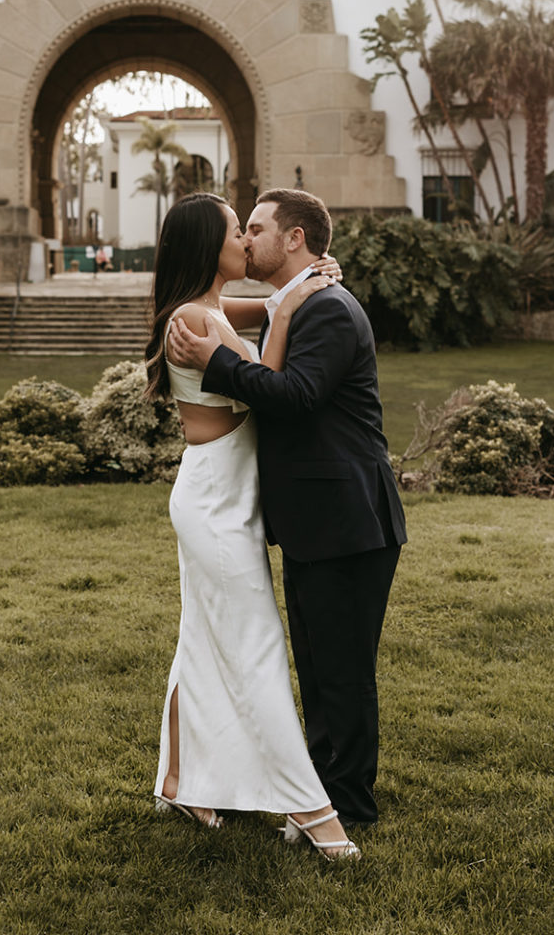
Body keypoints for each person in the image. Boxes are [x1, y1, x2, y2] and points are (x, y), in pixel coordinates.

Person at [168, 188, 406, 829]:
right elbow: (250, 324)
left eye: (256, 227)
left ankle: (348, 806)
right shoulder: (294, 302)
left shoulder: (328, 308)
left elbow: (293, 395)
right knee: (319, 664)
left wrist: (216, 360)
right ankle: (315, 788)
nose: (246, 239)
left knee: (343, 669)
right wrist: (279, 304)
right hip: (309, 520)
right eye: (237, 230)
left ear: (294, 238)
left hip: (347, 518)